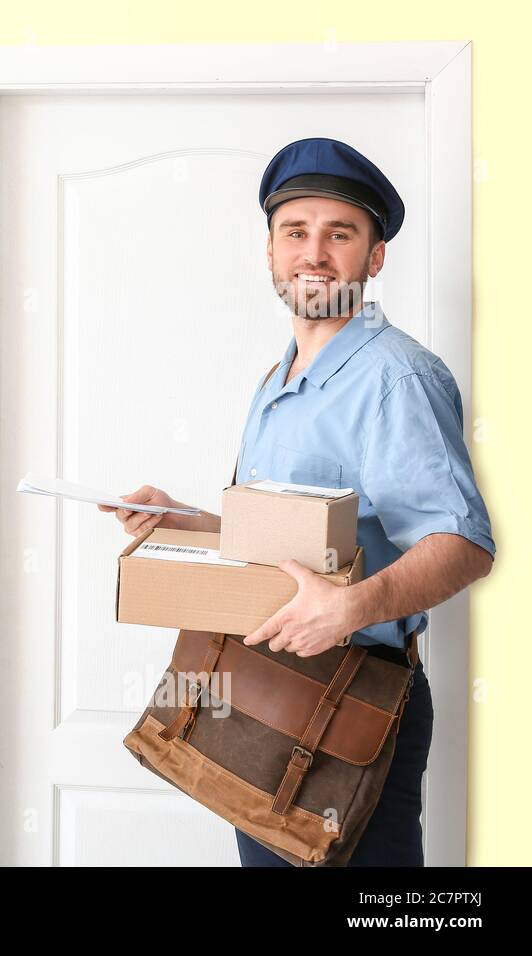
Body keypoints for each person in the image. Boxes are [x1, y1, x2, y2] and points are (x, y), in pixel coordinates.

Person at [99, 137, 495, 866]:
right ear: (271, 251)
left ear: (374, 258)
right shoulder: (277, 379)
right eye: (296, 232)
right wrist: (187, 520)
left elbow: (464, 544)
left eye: (339, 234)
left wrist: (349, 608)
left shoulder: (396, 380)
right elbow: (291, 542)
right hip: (258, 694)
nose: (314, 252)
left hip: (348, 700)